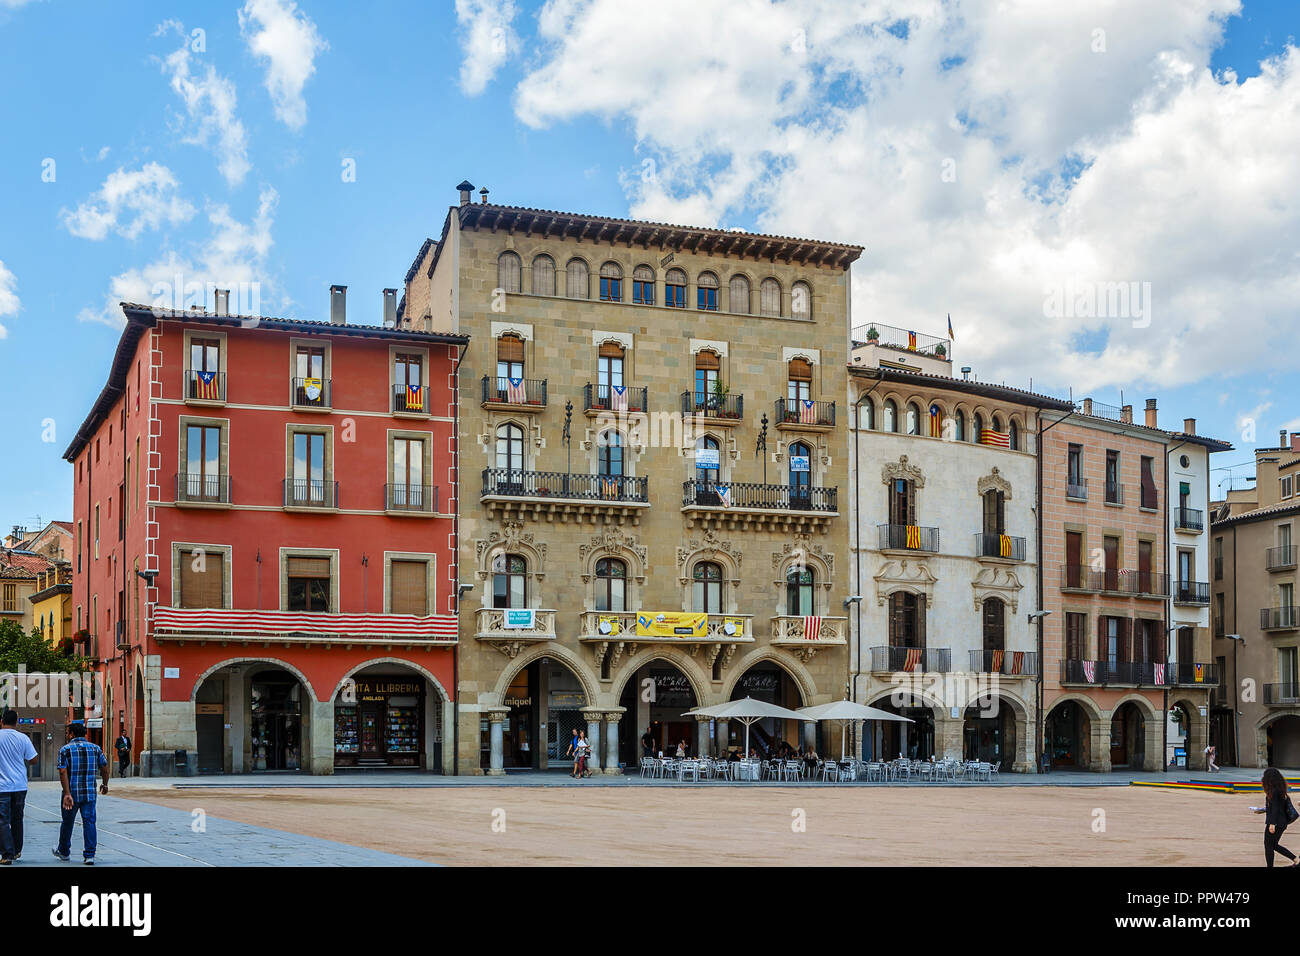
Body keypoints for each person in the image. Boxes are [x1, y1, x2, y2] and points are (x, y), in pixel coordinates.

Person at [53, 720, 108, 865]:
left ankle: (64, 851)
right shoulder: (96, 748)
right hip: (89, 794)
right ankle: (89, 855)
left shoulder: (65, 750)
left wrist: (67, 794)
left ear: (71, 734)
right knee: (89, 822)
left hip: (71, 793)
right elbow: (104, 767)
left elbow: (63, 771)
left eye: (68, 733)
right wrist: (105, 784)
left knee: (67, 822)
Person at [0, 710, 39, 865]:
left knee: (2, 820)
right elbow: (34, 759)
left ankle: (7, 854)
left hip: (2, 787)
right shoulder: (23, 738)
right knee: (17, 819)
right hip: (20, 785)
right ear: (16, 723)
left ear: (2, 721)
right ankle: (16, 850)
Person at [1256, 767, 1299, 868]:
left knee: (1268, 845)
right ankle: (1296, 859)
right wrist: (1263, 810)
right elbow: (1278, 808)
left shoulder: (1274, 792)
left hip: (1276, 823)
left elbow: (1275, 809)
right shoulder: (1280, 791)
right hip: (1281, 823)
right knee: (1273, 845)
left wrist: (1272, 824)